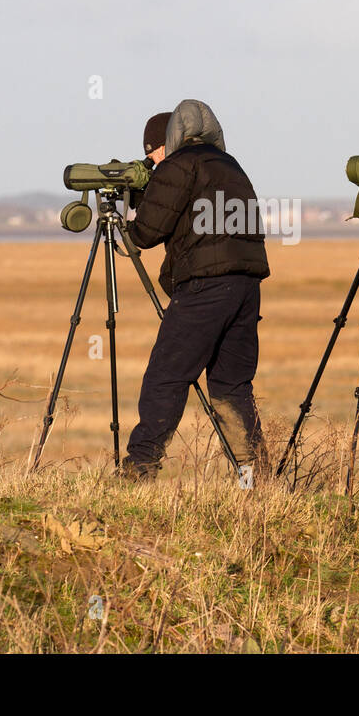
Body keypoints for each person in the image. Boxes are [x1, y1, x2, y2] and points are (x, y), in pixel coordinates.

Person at [122, 99, 270, 479]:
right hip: (245, 286)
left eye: (152, 153)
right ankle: (254, 477)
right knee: (231, 385)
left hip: (205, 286)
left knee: (166, 375)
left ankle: (140, 465)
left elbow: (147, 233)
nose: (152, 161)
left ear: (165, 143)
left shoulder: (178, 165)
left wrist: (126, 219)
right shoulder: (230, 165)